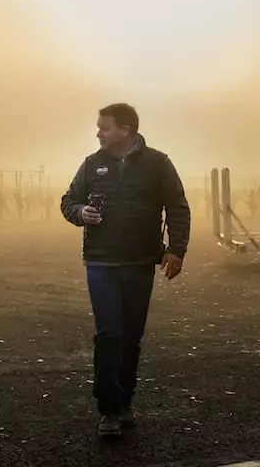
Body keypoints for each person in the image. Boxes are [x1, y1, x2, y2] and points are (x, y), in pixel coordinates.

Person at [60, 103, 191, 438]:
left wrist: (176, 250)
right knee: (109, 334)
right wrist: (80, 213)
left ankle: (124, 403)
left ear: (126, 130)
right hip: (101, 261)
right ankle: (107, 411)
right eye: (99, 127)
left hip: (141, 261)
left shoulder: (157, 163)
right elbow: (68, 200)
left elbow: (177, 206)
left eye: (104, 127)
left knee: (131, 336)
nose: (99, 133)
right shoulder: (92, 164)